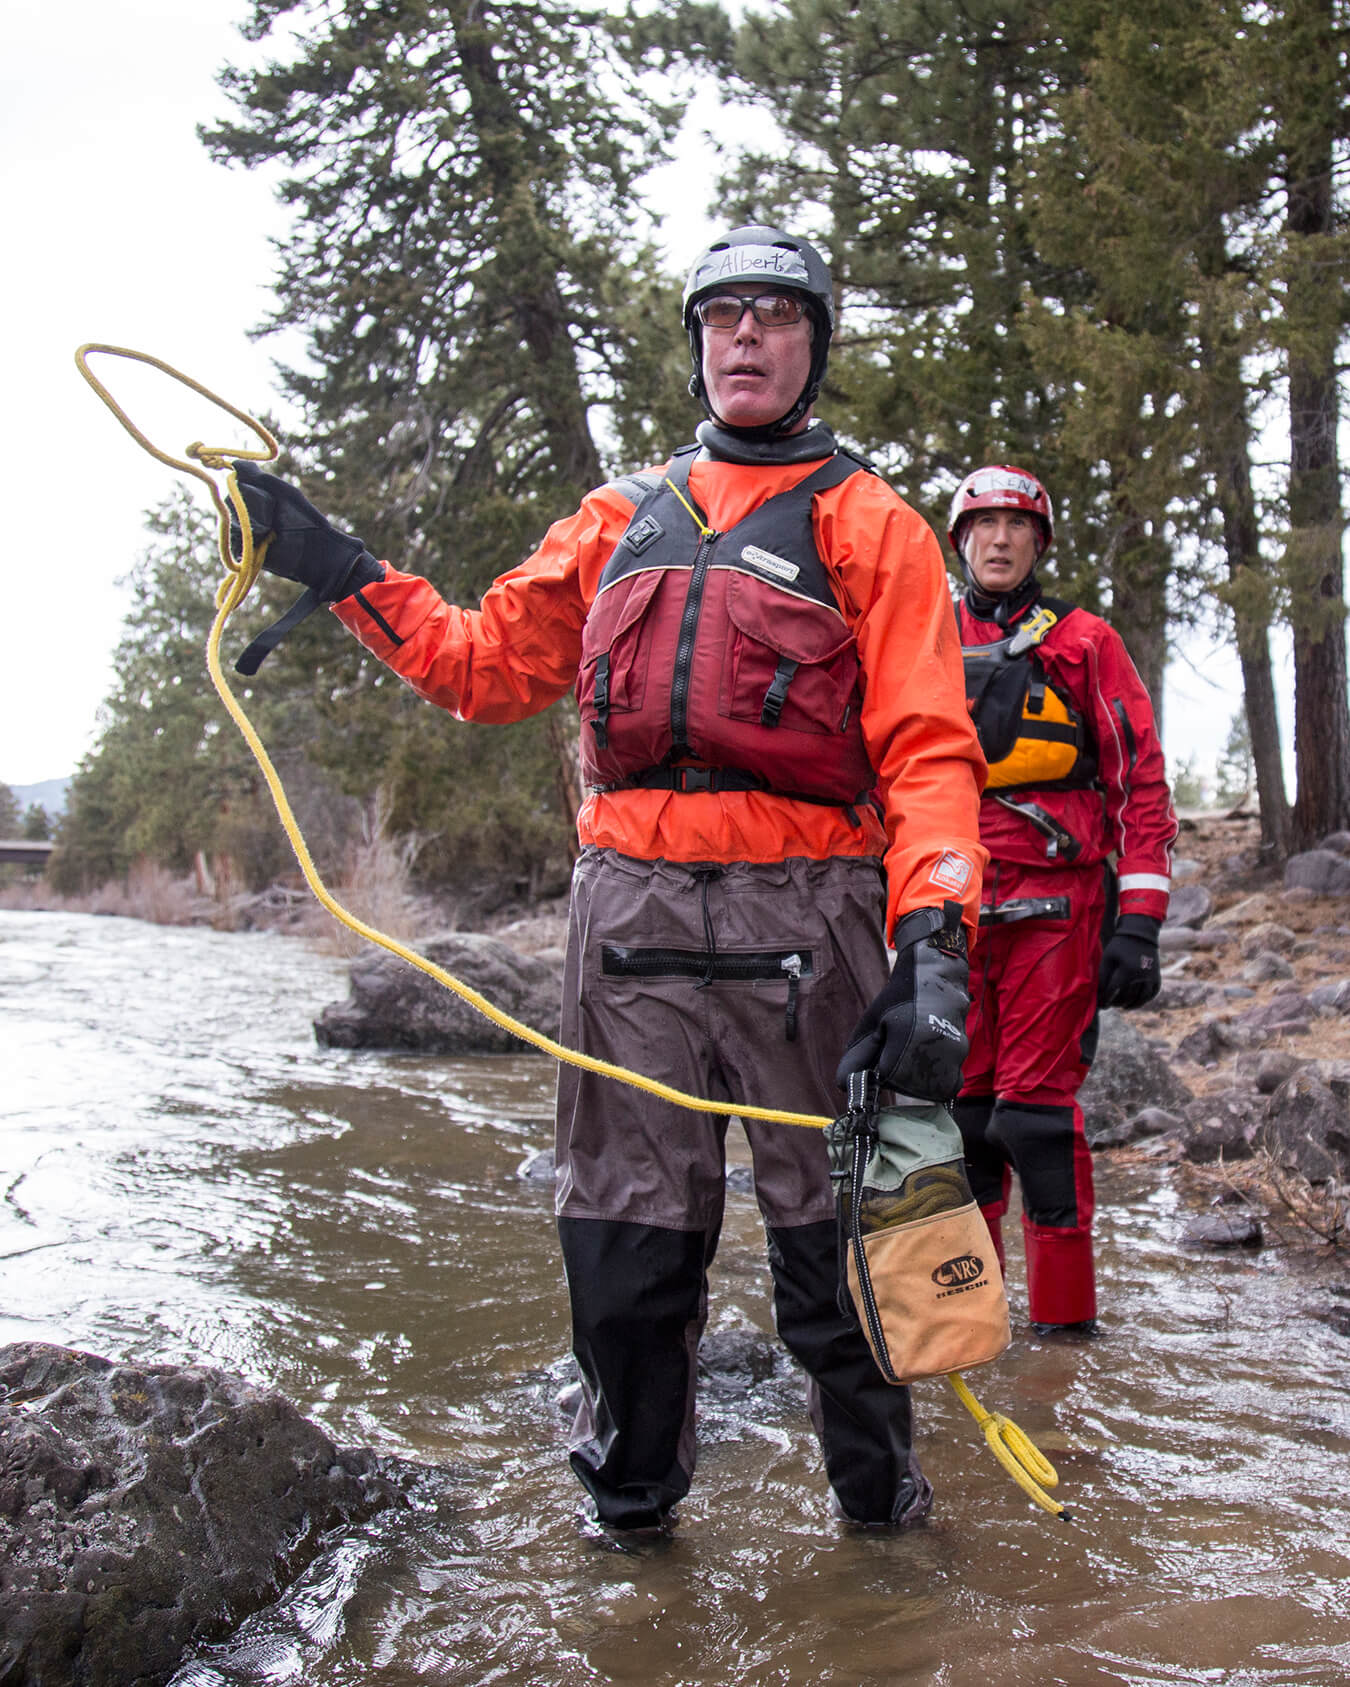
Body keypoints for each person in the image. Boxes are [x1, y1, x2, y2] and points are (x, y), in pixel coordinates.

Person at [230, 226, 986, 1533]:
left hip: (813, 920)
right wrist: (338, 566)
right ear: (697, 344)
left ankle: (881, 1518)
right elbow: (478, 665)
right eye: (721, 316)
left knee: (843, 1254)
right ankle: (630, 1529)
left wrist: (933, 939)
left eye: (775, 315)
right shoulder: (610, 522)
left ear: (814, 344)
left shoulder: (878, 528)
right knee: (627, 1251)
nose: (745, 335)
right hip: (627, 920)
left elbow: (926, 748)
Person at [949, 465, 1176, 1336]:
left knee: (1035, 1119)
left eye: (1017, 526)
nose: (999, 540)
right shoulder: (924, 636)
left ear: (1040, 542)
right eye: (983, 525)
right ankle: (972, 1338)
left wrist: (1140, 924)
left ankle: (1064, 1346)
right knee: (964, 1123)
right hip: (952, 910)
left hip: (1060, 905)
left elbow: (1140, 787)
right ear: (961, 540)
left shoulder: (1085, 642)